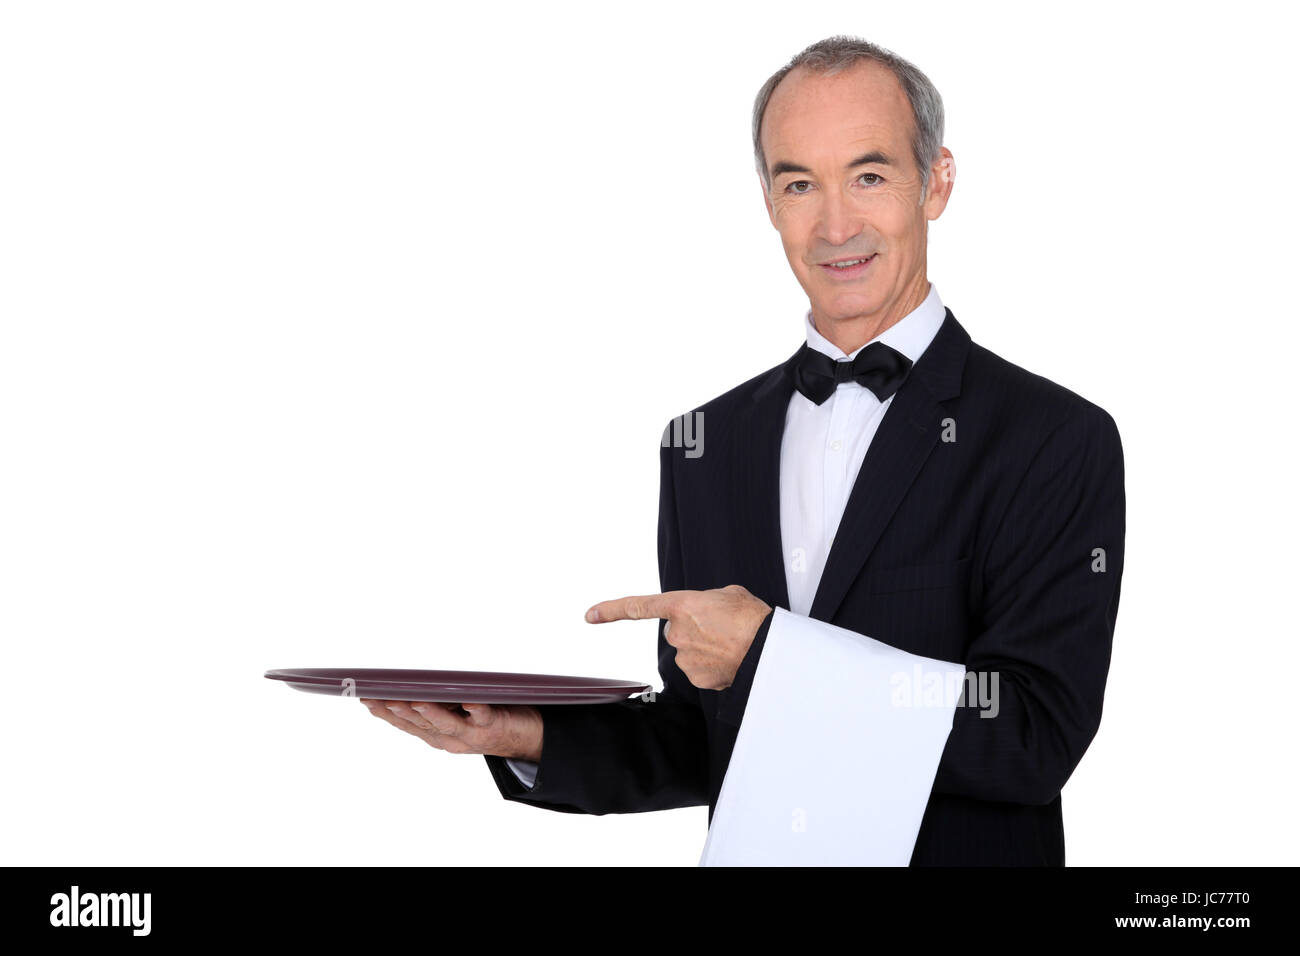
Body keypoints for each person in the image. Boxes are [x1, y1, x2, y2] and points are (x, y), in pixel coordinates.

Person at [360, 35, 1126, 866]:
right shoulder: (704, 443)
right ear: (768, 200)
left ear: (936, 181)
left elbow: (1033, 738)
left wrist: (771, 654)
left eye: (869, 176)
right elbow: (703, 735)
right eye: (799, 183)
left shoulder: (1053, 437)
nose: (835, 224)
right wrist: (526, 734)